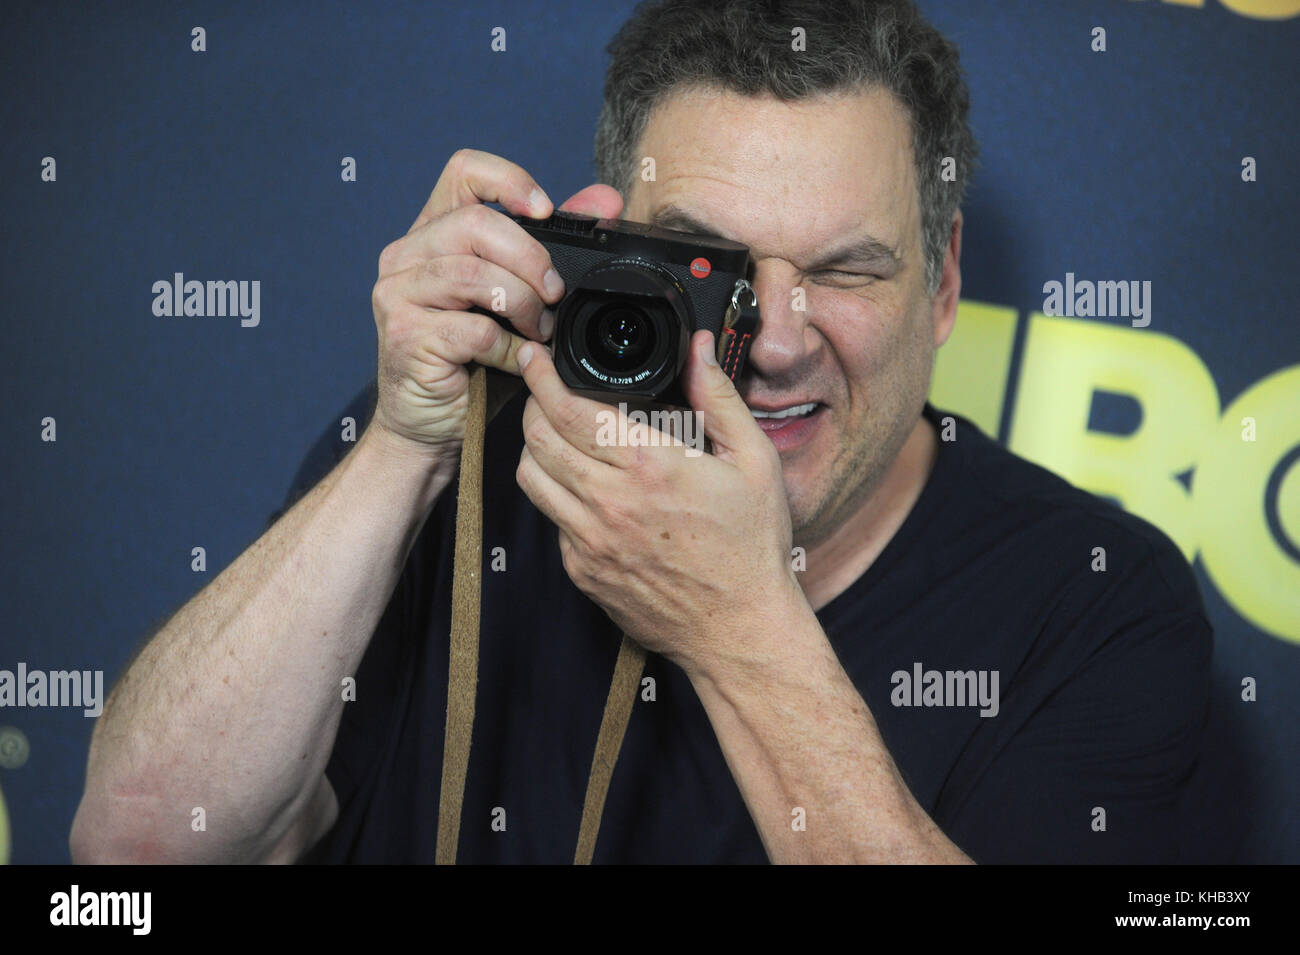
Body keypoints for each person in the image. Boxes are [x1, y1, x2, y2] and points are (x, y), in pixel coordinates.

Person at [70, 0, 1212, 864]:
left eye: (843, 270)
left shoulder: (1095, 600)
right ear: (606, 248)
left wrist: (735, 624)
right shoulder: (461, 457)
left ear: (946, 282)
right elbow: (132, 854)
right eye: (702, 270)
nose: (771, 344)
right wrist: (403, 452)